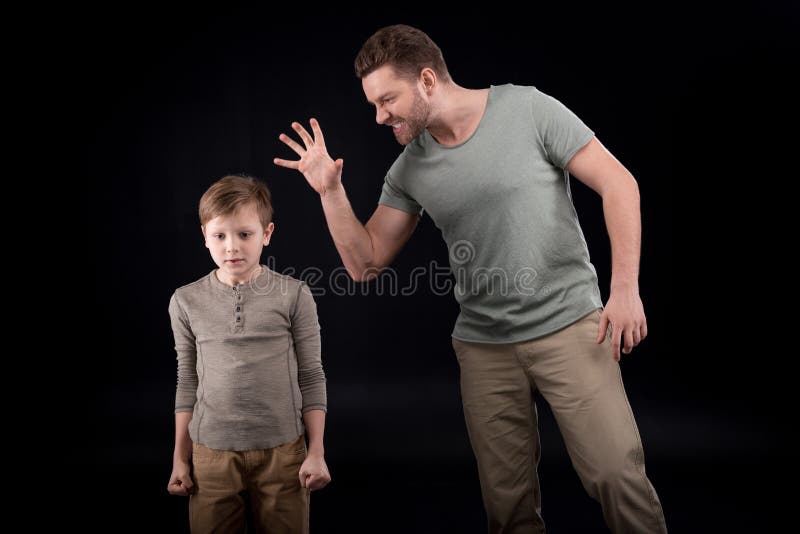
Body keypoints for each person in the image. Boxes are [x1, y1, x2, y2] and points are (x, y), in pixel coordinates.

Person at [274, 23, 667, 534]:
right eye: (373, 104)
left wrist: (626, 291)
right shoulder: (409, 169)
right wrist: (329, 192)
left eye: (387, 100)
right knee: (507, 506)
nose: (379, 116)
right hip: (485, 349)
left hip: (571, 327)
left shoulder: (528, 109)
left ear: (428, 80)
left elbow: (619, 184)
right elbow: (364, 263)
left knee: (617, 475)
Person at [166, 174, 330, 534]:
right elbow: (187, 380)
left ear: (266, 234)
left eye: (245, 234)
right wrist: (181, 459)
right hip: (211, 453)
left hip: (284, 452)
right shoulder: (186, 300)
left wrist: (315, 451)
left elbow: (312, 375)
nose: (231, 247)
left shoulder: (294, 294)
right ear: (204, 236)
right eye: (220, 235)